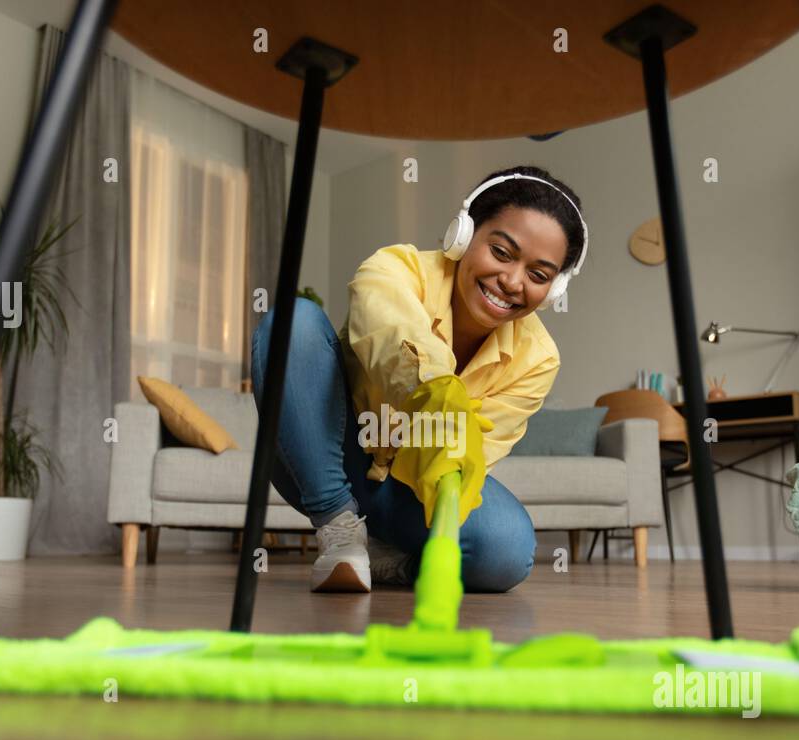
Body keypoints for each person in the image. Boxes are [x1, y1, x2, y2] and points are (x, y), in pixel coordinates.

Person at [250, 164, 588, 593]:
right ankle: (339, 531)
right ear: (462, 235)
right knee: (291, 322)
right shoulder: (395, 267)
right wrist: (433, 386)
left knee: (507, 550)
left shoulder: (538, 359)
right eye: (501, 252)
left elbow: (474, 457)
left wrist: (453, 451)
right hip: (327, 458)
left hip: (410, 492)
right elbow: (389, 336)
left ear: (554, 289)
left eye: (538, 275)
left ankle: (392, 561)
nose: (512, 281)